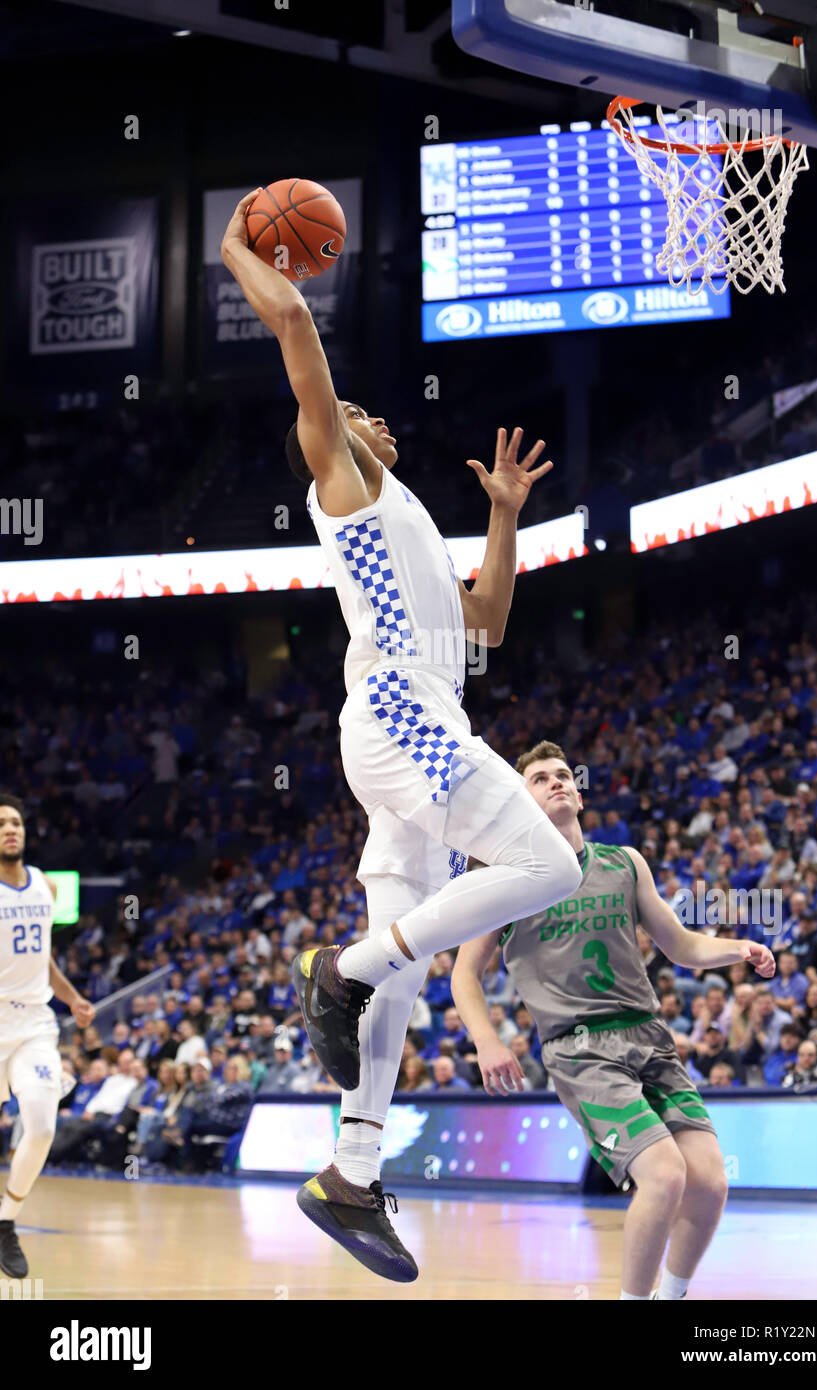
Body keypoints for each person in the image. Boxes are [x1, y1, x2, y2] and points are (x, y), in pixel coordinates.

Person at [220, 193, 581, 1282]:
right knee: (544, 862)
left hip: (418, 716)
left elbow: (488, 626)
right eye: (351, 411)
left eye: (368, 412)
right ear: (328, 440)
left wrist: (507, 517)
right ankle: (341, 968)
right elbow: (296, 331)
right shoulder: (343, 486)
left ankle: (352, 1172)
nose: (374, 417)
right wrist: (238, 245)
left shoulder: (412, 515)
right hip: (399, 716)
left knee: (404, 979)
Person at [451, 742, 775, 1301]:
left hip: (649, 1037)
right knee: (665, 1176)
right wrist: (486, 1040)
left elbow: (680, 944)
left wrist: (738, 948)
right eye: (539, 778)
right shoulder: (507, 879)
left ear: (577, 794)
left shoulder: (624, 863)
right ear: (521, 801)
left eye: (562, 775)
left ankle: (670, 1296)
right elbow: (463, 975)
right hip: (580, 1050)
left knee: (709, 1185)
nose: (556, 782)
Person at [0, 794, 95, 1278]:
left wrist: (72, 997)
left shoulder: (42, 886)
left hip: (35, 1025)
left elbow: (43, 959)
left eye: (16, 821)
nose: (10, 829)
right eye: (2, 824)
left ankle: (6, 1222)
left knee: (40, 1127)